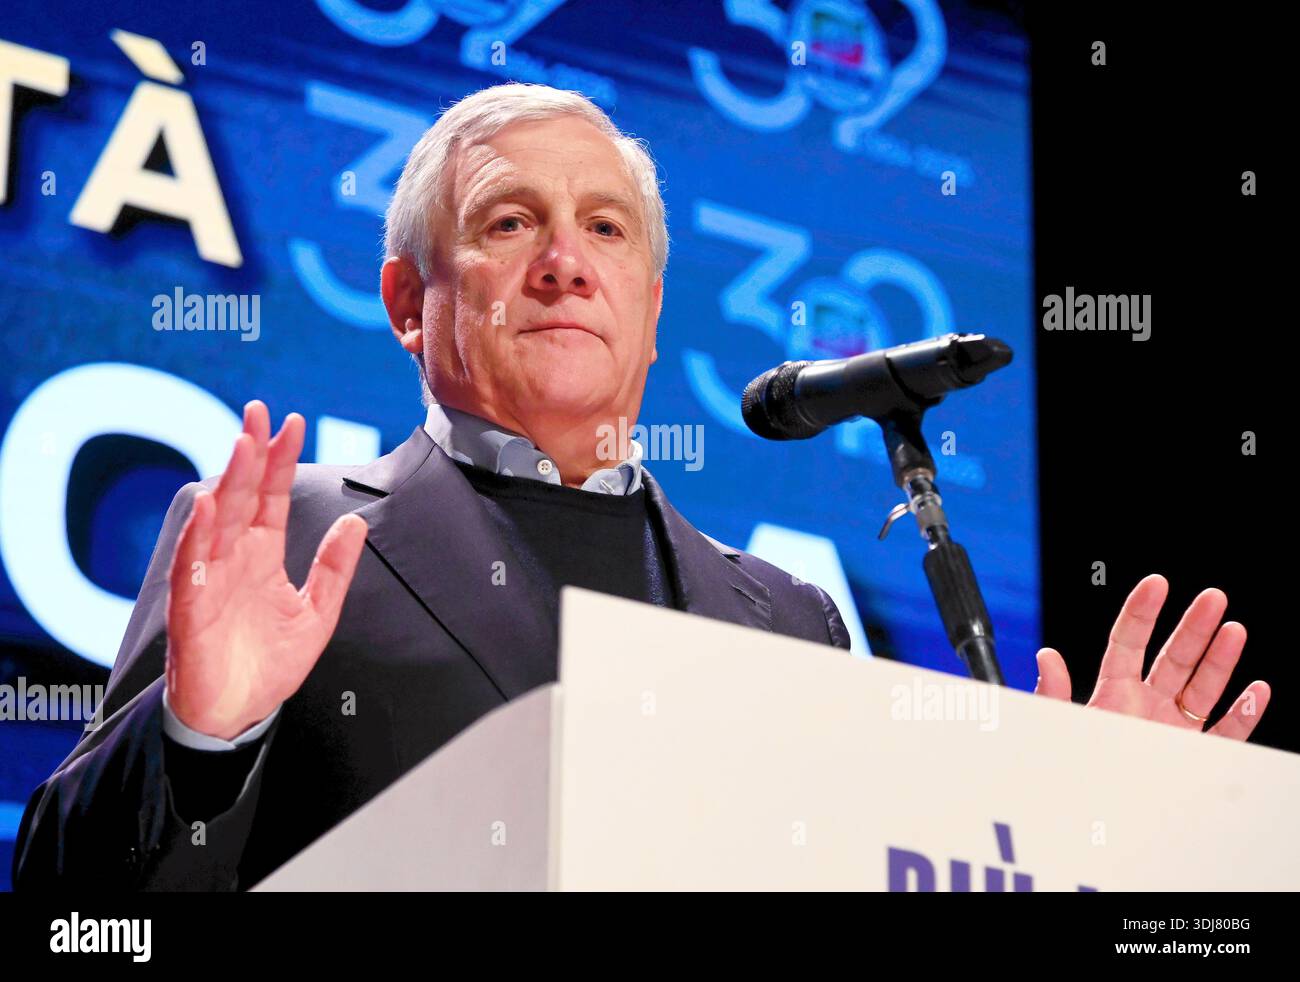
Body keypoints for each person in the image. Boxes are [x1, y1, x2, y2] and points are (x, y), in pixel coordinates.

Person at [12, 83, 1270, 891]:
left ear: (653, 308)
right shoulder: (282, 540)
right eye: (510, 223)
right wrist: (200, 739)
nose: (566, 261)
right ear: (407, 301)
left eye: (606, 230)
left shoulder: (788, 619)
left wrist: (1098, 841)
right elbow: (80, 922)